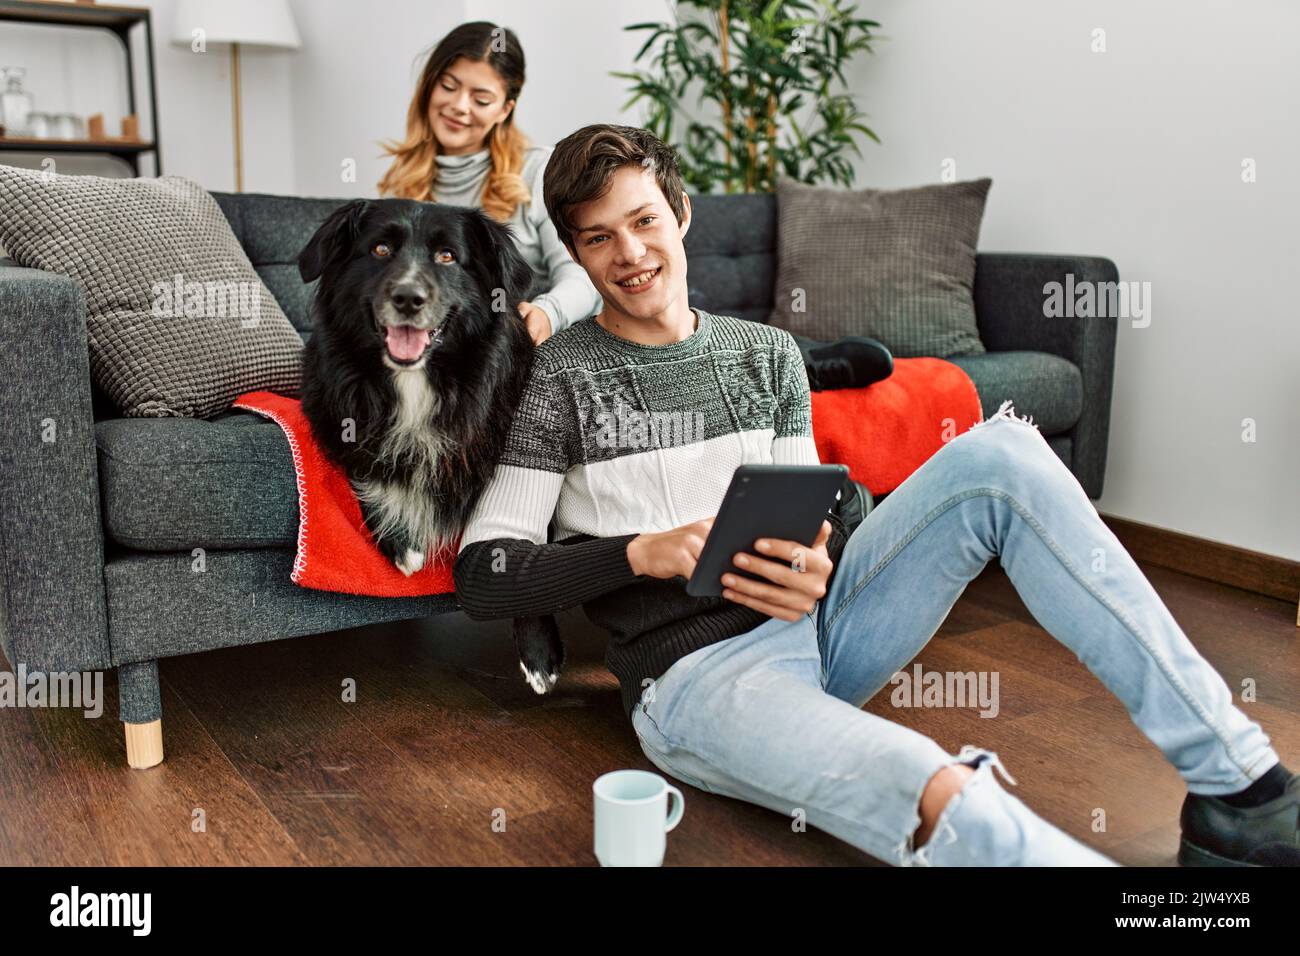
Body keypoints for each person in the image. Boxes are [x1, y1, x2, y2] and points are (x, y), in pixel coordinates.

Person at [452, 123, 1299, 866]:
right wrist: (640, 552)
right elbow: (486, 574)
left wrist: (821, 549)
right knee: (939, 793)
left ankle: (1242, 788)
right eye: (599, 239)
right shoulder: (556, 381)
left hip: (821, 627)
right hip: (700, 680)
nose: (630, 255)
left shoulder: (767, 354)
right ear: (576, 251)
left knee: (1002, 451)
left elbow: (818, 501)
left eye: (643, 222)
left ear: (680, 215)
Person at [377, 21, 601, 344]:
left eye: (481, 100)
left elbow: (583, 275)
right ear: (429, 86)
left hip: (524, 351)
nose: (459, 106)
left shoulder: (541, 171)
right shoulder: (402, 183)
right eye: (449, 86)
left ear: (504, 110)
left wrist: (546, 313)